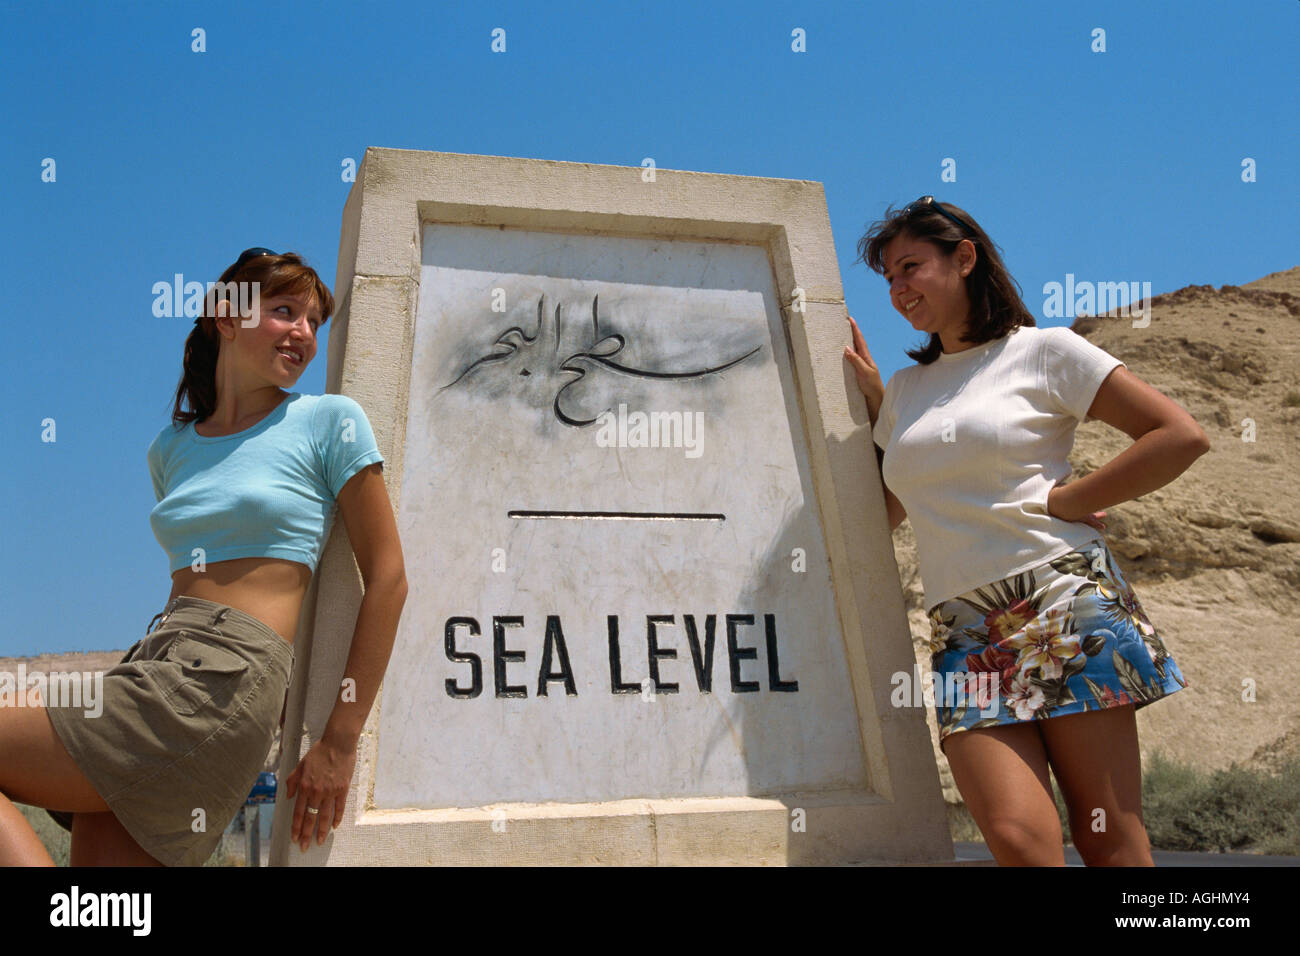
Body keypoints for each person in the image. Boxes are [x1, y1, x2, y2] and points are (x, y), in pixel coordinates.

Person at [0, 248, 408, 865]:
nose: (303, 332)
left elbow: (389, 579)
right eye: (284, 311)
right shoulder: (172, 449)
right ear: (224, 315)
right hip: (158, 664)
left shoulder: (329, 422)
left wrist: (339, 741)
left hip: (226, 681)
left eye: (312, 321)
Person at [844, 198, 1207, 866]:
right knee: (1015, 839)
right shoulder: (902, 393)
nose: (898, 291)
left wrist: (1072, 497)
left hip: (1063, 605)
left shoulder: (1044, 353)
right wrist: (868, 410)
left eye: (910, 268)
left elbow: (1179, 435)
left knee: (1109, 841)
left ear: (965, 257)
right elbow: (885, 512)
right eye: (888, 279)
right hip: (962, 629)